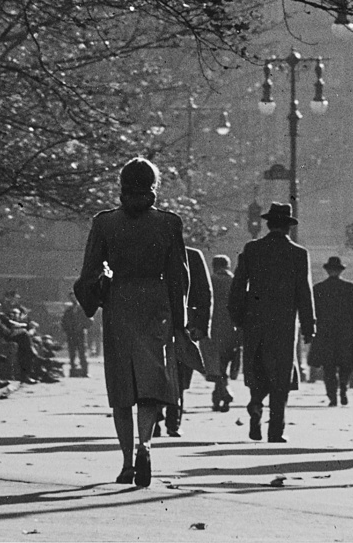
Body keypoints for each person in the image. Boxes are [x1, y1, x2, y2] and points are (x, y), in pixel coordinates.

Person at [75, 155, 187, 490]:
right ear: (154, 186)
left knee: (122, 387)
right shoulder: (169, 223)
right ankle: (146, 445)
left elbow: (89, 273)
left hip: (120, 302)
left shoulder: (105, 222)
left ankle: (126, 462)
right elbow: (179, 276)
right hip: (155, 302)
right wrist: (179, 322)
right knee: (151, 383)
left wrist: (91, 298)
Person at [227, 201, 314, 444]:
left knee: (257, 367)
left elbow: (238, 285)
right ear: (288, 227)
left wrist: (237, 316)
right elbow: (304, 292)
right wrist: (309, 326)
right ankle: (276, 429)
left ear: (268, 223)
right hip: (285, 322)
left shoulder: (252, 249)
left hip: (255, 320)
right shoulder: (298, 253)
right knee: (281, 374)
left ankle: (256, 403)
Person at [164, 243, 213, 436]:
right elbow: (205, 293)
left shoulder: (190, 255)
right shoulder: (193, 255)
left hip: (176, 324)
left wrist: (202, 326)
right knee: (179, 374)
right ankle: (172, 421)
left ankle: (163, 418)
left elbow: (204, 293)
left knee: (169, 372)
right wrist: (202, 326)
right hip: (183, 324)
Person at [310, 254, 353, 407]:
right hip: (344, 332)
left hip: (325, 332)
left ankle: (332, 395)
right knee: (345, 364)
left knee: (329, 366)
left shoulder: (318, 288)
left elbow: (315, 313)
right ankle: (343, 390)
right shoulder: (349, 287)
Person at [204, 252, 238, 411]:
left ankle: (223, 392)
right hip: (232, 331)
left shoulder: (209, 281)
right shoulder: (235, 282)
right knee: (223, 366)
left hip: (213, 330)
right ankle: (220, 395)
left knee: (216, 367)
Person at [62, 297, 90, 377]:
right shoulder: (68, 310)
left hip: (80, 334)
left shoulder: (83, 309)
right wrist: (67, 329)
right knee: (72, 353)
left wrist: (83, 326)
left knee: (82, 352)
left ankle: (85, 371)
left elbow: (89, 320)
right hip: (71, 334)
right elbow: (64, 321)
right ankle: (73, 370)